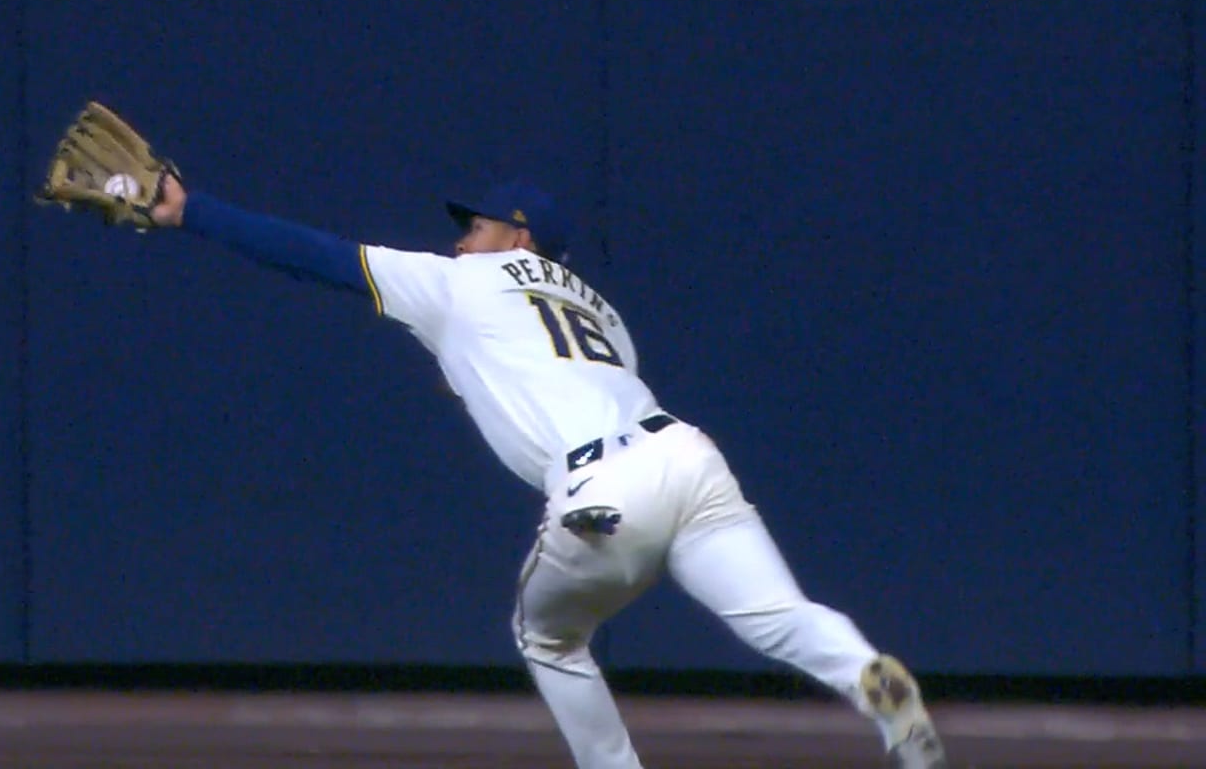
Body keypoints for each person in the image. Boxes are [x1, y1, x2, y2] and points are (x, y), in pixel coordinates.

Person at [135, 172, 949, 769]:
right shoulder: (603, 312)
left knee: (548, 637)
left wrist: (188, 209)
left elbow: (314, 257)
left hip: (602, 493)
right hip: (688, 457)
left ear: (518, 238)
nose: (463, 237)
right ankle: (873, 685)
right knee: (782, 617)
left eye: (479, 224)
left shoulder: (458, 283)